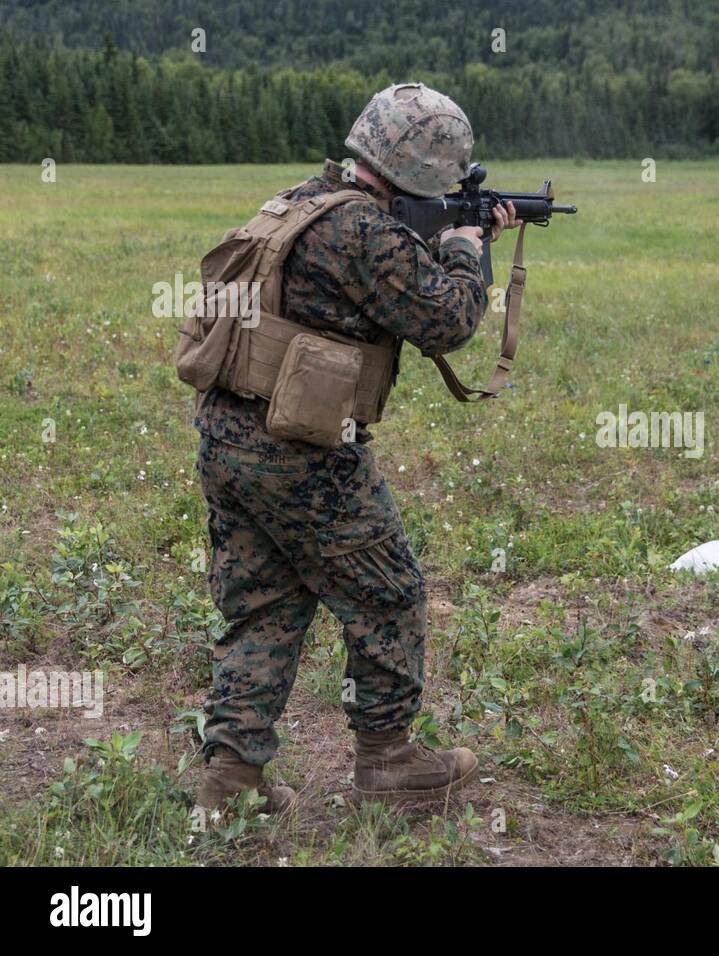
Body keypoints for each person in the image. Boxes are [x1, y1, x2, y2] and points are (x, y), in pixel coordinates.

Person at [193, 83, 519, 812]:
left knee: (266, 607)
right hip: (300, 455)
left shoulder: (303, 201)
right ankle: (388, 763)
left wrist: (441, 239)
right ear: (426, 166)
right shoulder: (367, 234)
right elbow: (446, 323)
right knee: (389, 593)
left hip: (227, 436)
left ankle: (229, 784)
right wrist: (467, 253)